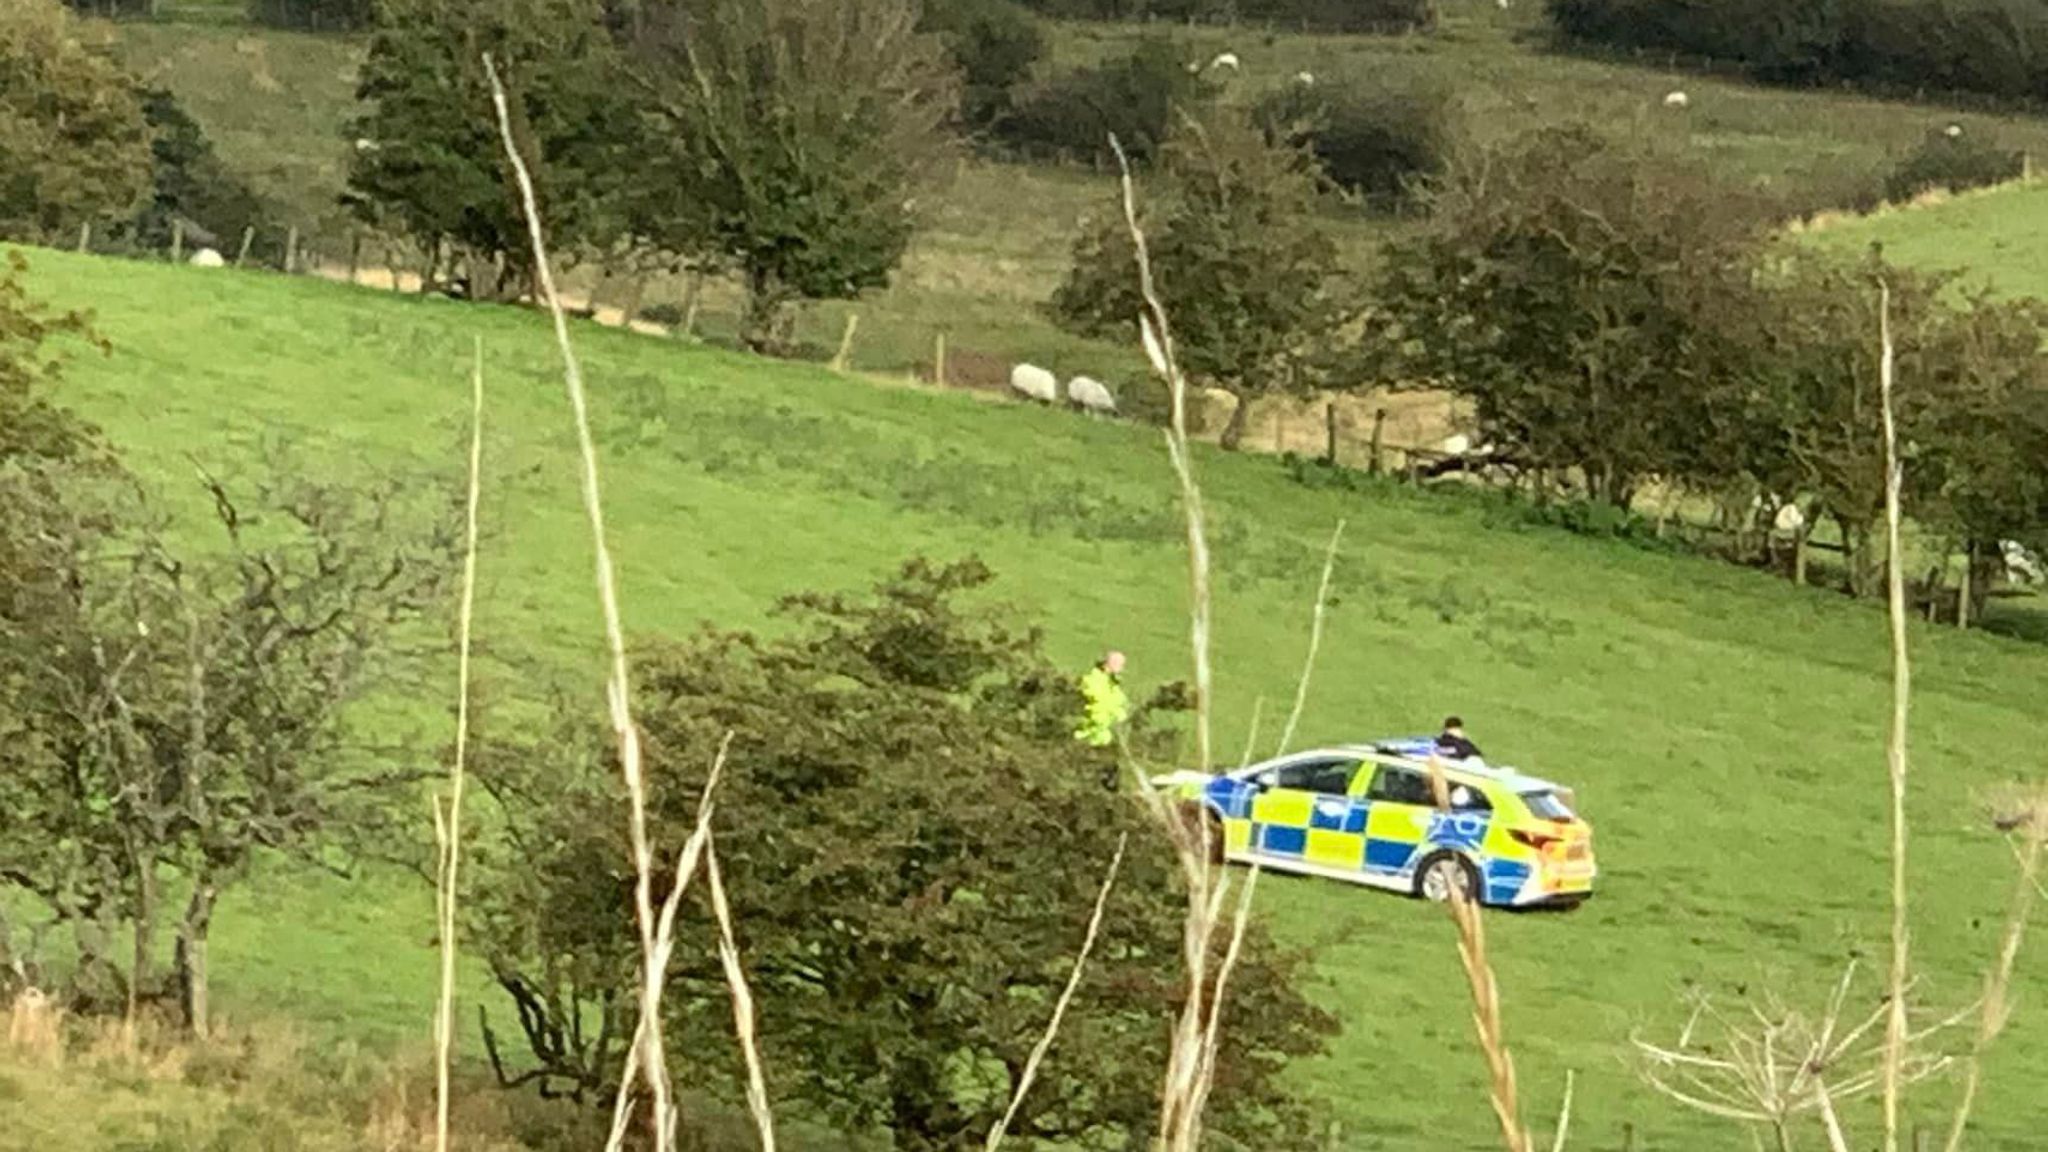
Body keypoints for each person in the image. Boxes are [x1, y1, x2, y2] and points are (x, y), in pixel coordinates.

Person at [1074, 650, 1130, 788]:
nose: (1121, 669)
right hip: (1089, 739)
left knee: (1111, 780)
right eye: (1118, 664)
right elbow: (1099, 706)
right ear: (1107, 664)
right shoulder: (1092, 680)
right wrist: (1116, 715)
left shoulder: (1114, 685)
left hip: (1105, 741)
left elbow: (1122, 705)